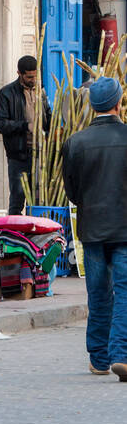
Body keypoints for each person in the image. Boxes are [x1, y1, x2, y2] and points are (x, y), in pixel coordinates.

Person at [61, 75, 127, 381]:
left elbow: (73, 191)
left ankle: (99, 358)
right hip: (125, 229)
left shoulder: (75, 143)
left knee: (98, 293)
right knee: (124, 292)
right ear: (118, 103)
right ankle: (121, 354)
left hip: (92, 229)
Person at [0, 56, 52, 215]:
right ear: (19, 73)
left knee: (40, 200)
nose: (33, 80)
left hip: (41, 153)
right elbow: (1, 124)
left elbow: (48, 115)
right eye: (29, 77)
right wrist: (26, 126)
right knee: (17, 200)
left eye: (35, 76)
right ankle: (15, 230)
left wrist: (52, 130)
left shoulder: (41, 91)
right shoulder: (7, 93)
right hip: (19, 155)